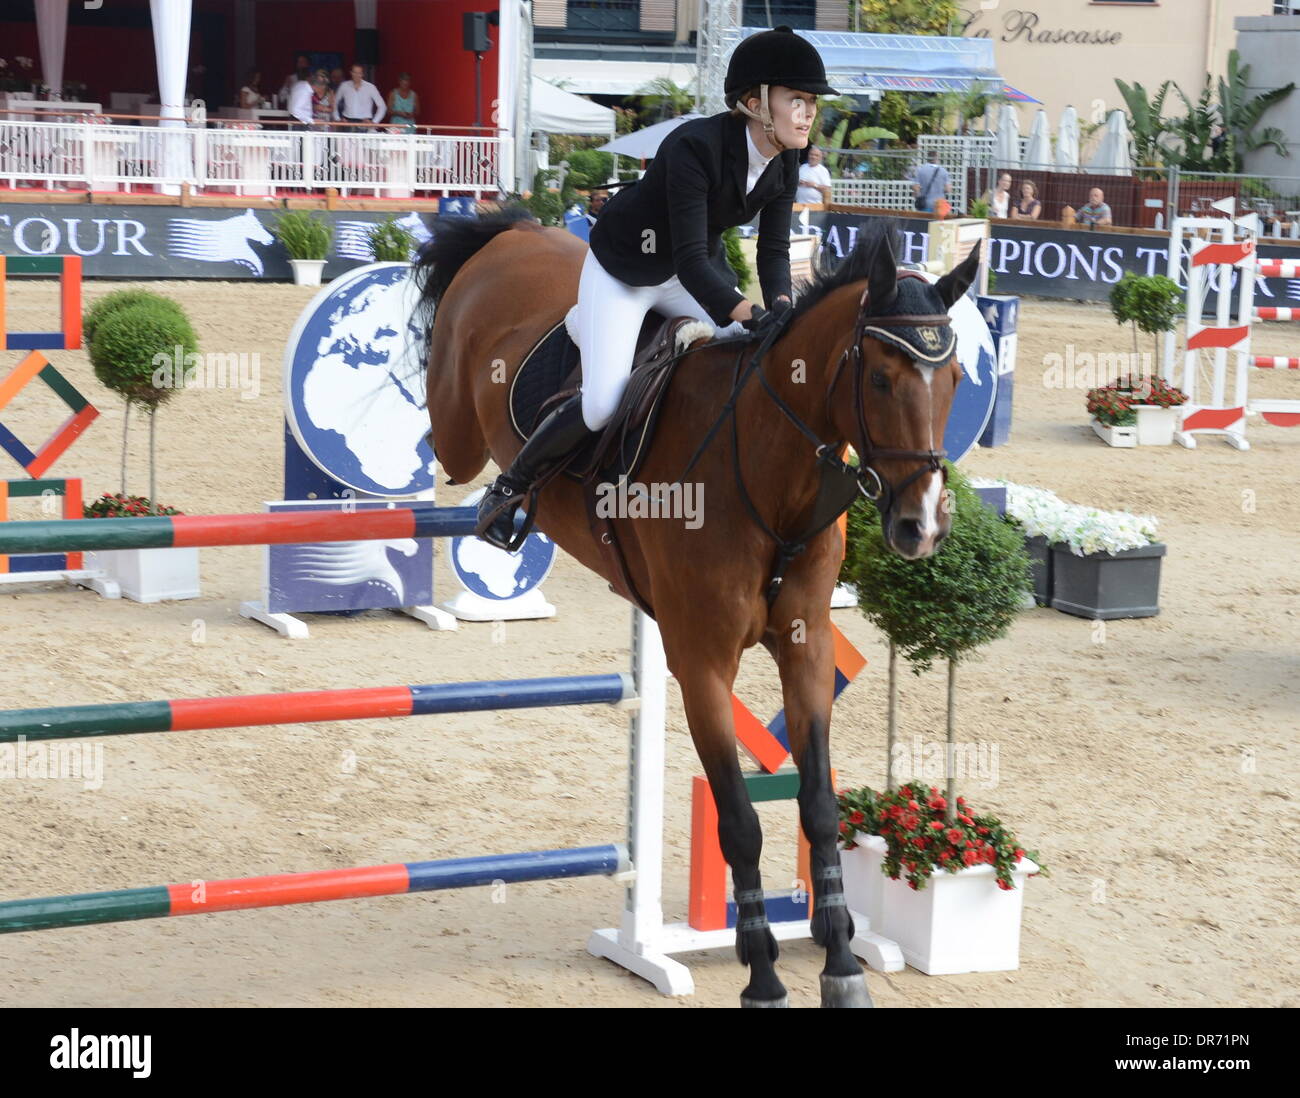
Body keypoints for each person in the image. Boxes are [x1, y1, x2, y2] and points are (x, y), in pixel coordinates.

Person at [475, 25, 836, 548]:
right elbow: (689, 258)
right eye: (797, 99)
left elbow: (774, 252)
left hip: (693, 272)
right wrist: (747, 312)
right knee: (602, 403)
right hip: (627, 270)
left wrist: (779, 305)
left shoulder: (785, 160)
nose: (809, 112)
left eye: (811, 102)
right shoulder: (694, 146)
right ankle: (509, 488)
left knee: (750, 357)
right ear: (755, 103)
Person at [334, 63, 386, 128]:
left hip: (365, 123)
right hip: (347, 122)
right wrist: (338, 119)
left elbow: (382, 106)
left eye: (359, 73)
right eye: (354, 72)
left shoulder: (370, 87)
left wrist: (374, 122)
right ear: (351, 73)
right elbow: (334, 102)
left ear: (362, 74)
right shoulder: (344, 86)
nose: (356, 75)